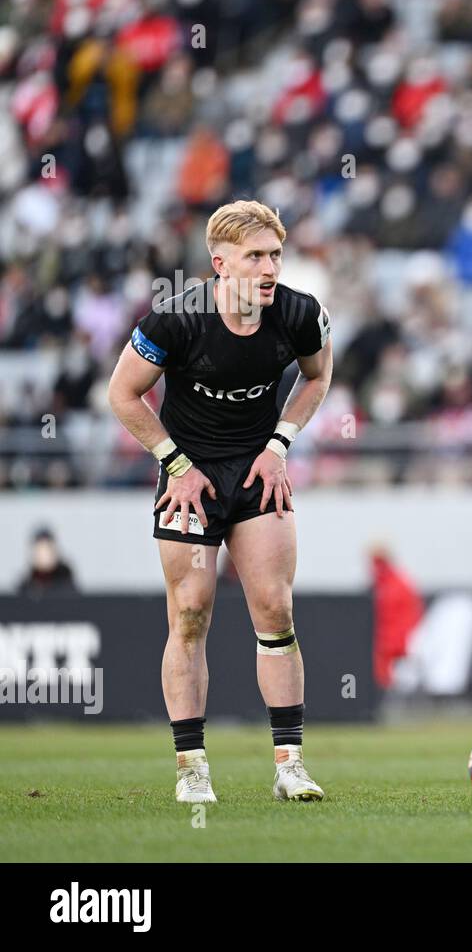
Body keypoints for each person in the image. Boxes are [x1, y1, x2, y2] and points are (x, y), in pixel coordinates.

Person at [106, 200, 333, 804]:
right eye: (255, 256)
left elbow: (317, 376)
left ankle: (290, 766)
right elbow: (123, 395)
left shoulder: (299, 314)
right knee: (191, 612)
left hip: (259, 471)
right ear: (220, 264)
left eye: (275, 255)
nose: (268, 268)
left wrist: (280, 444)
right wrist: (174, 463)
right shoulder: (173, 321)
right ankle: (192, 769)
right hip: (191, 476)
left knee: (275, 610)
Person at [18, 526, 77, 595]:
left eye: (47, 550)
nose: (44, 556)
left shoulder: (67, 582)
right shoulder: (26, 586)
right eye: (40, 551)